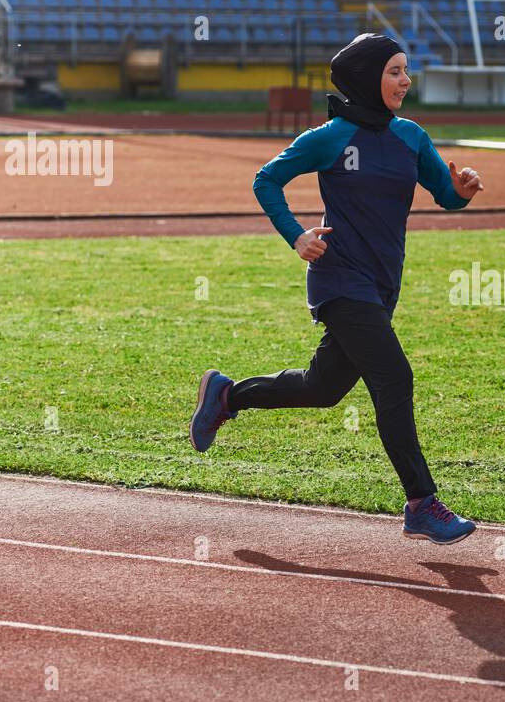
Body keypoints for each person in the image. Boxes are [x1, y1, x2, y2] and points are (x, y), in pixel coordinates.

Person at [189, 33, 484, 545]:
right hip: (339, 280)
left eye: (406, 71)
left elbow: (444, 194)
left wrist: (461, 192)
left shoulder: (411, 137)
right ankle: (421, 502)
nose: (405, 81)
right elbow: (266, 180)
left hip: (381, 285)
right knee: (394, 377)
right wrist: (297, 235)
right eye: (394, 71)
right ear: (369, 77)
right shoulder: (331, 136)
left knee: (322, 389)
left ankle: (227, 395)